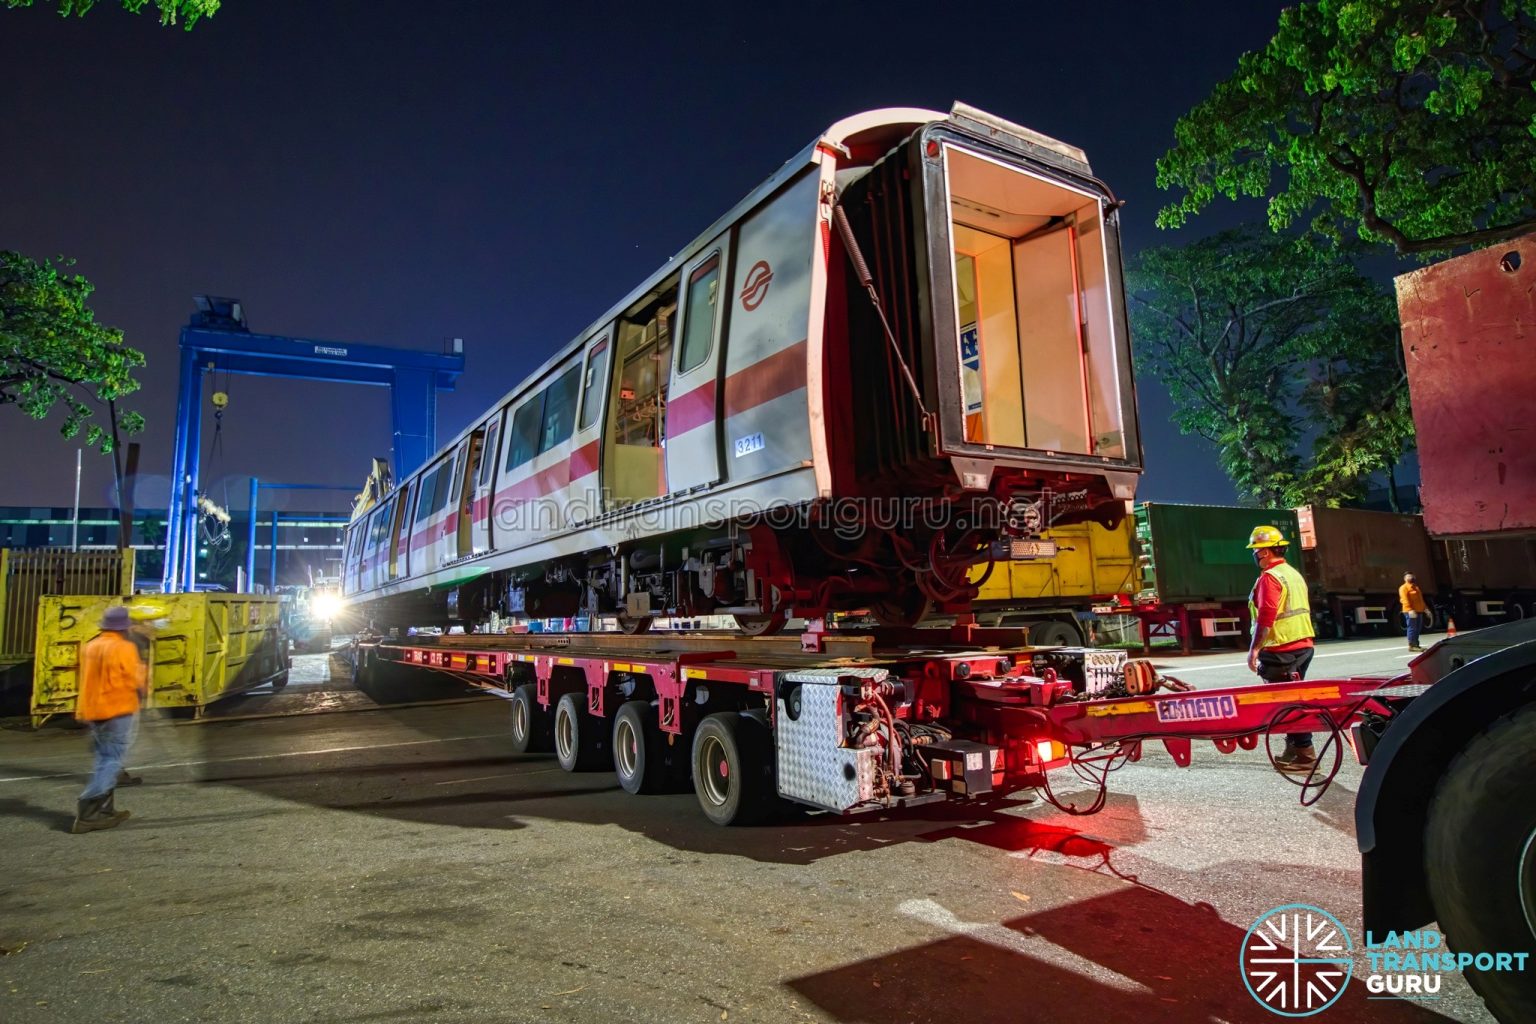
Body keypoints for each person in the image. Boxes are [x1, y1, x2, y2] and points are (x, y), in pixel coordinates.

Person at [1244, 525, 1317, 774]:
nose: (1254, 555)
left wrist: (1254, 650)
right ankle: (1294, 750)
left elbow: (1266, 617)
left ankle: (1305, 755)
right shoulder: (1292, 573)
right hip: (1302, 646)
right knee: (1292, 700)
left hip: (1281, 649)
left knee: (1287, 705)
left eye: (1255, 550)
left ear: (1265, 552)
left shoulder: (1270, 577)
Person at [71, 604, 146, 833]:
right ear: (124, 627)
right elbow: (135, 679)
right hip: (117, 709)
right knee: (111, 760)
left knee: (104, 758)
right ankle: (88, 813)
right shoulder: (124, 648)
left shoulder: (91, 646)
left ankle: (105, 810)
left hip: (93, 710)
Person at [1399, 572, 1428, 652]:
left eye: (1411, 576)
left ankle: (1416, 645)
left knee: (1418, 628)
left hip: (1419, 611)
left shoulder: (1416, 588)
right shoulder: (1403, 588)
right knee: (1412, 628)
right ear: (1405, 579)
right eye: (1408, 576)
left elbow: (1421, 600)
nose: (1411, 577)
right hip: (1410, 611)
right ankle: (1412, 645)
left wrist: (1425, 609)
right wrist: (1410, 610)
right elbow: (1404, 600)